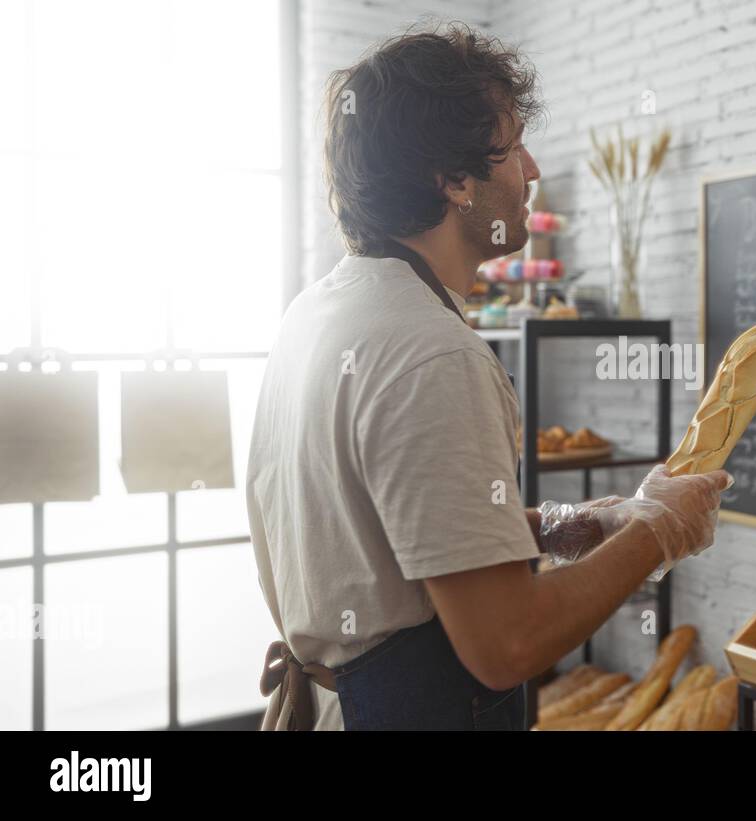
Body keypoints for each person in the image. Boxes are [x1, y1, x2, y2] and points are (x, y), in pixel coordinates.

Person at [246, 24, 729, 731]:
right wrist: (660, 530)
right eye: (512, 146)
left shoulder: (318, 313)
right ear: (453, 178)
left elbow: (414, 540)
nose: (530, 170)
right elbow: (508, 642)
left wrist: (582, 525)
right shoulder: (432, 357)